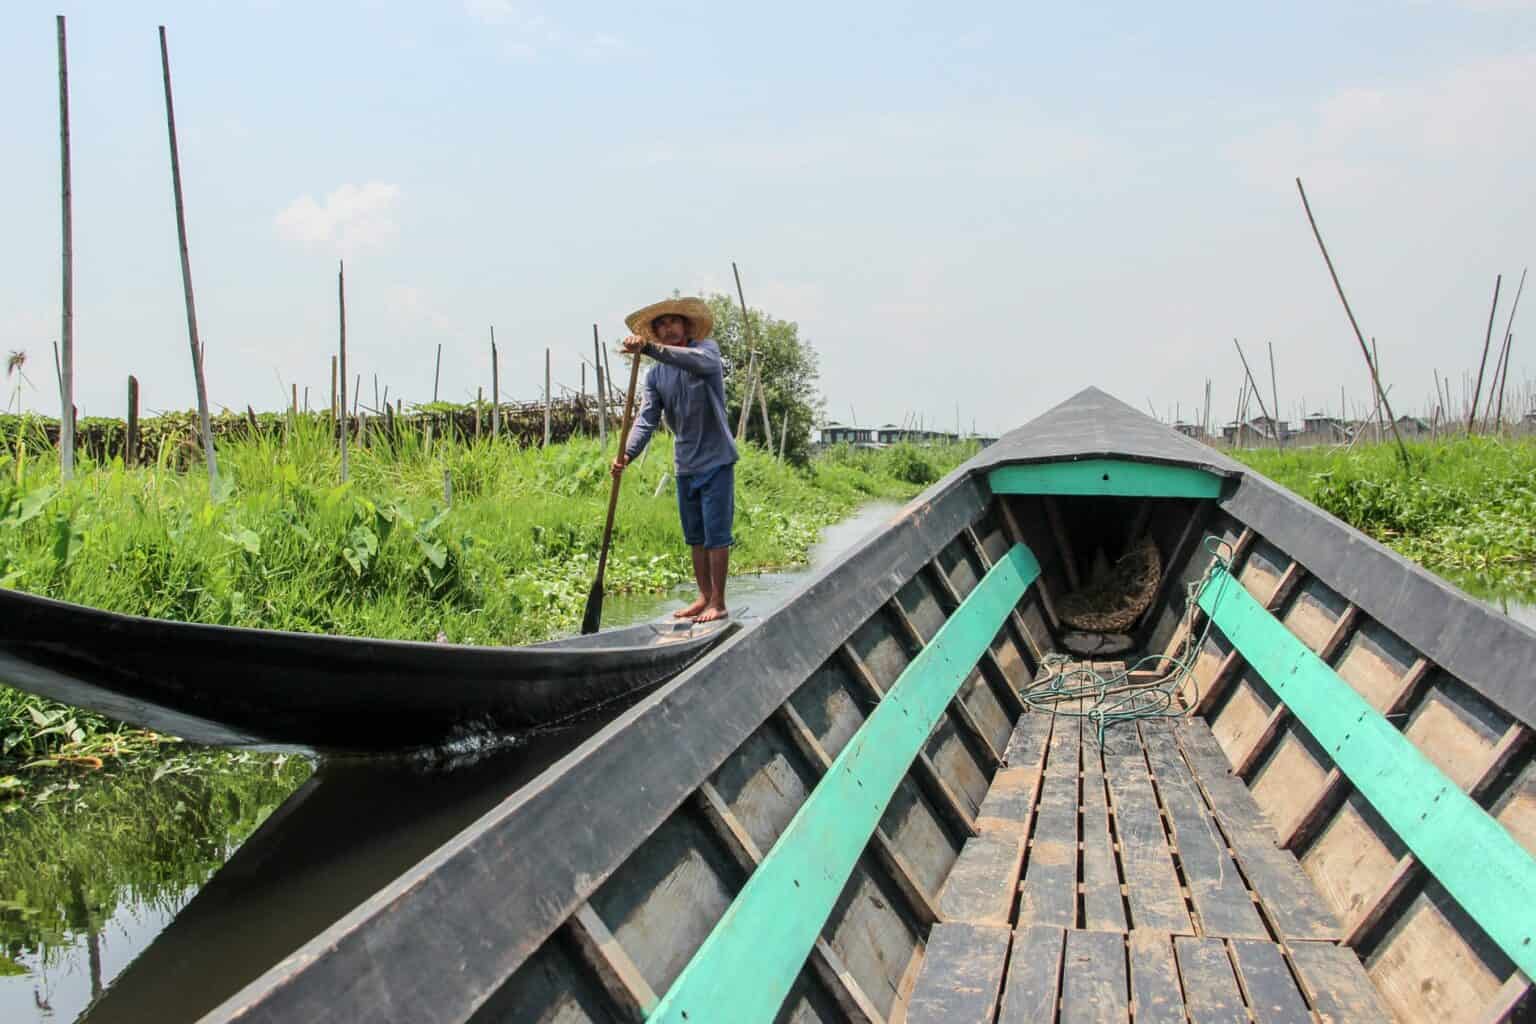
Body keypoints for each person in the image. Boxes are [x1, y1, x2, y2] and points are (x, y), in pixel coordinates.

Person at [611, 296, 738, 622]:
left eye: (673, 322)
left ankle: (719, 602)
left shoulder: (706, 352)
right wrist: (627, 453)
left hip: (716, 460)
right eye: (661, 325)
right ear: (655, 332)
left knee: (716, 535)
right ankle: (704, 596)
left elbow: (696, 362)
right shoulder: (655, 377)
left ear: (685, 326)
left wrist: (648, 349)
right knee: (695, 535)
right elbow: (646, 419)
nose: (668, 329)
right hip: (686, 464)